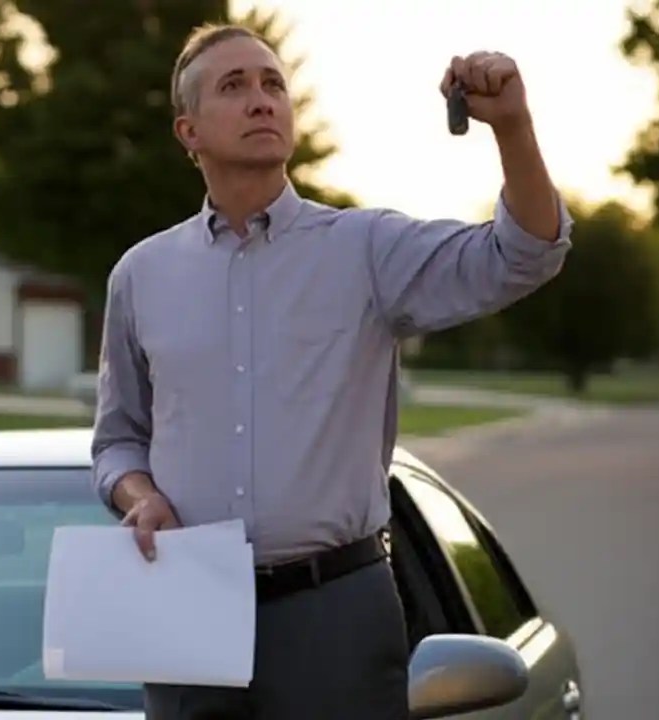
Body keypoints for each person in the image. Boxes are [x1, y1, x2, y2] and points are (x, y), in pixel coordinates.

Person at [89, 22, 574, 720]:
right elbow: (117, 441)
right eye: (235, 86)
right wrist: (139, 496)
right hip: (184, 606)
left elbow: (524, 253)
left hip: (334, 607)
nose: (262, 100)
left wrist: (513, 128)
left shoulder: (365, 249)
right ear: (187, 132)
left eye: (273, 84)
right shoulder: (141, 275)